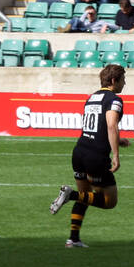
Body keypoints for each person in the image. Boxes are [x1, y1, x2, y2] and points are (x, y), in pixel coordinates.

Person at [48, 65, 125, 248]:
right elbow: (111, 125)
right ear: (114, 81)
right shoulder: (114, 99)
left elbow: (96, 126)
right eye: (123, 79)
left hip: (80, 152)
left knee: (86, 196)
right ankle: (70, 195)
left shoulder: (91, 98)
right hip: (95, 156)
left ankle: (73, 239)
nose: (124, 83)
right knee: (109, 201)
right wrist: (115, 154)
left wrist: (117, 141)